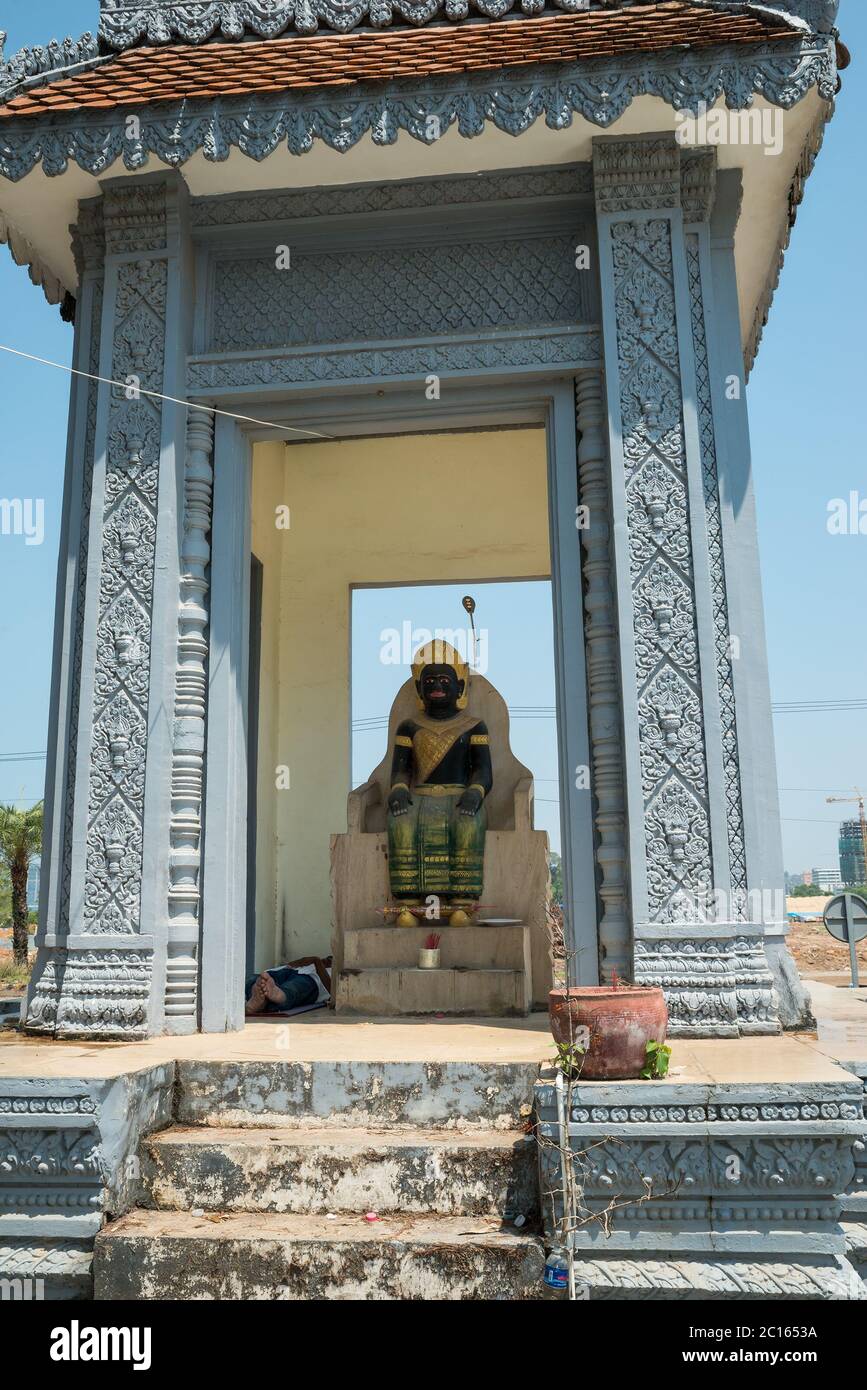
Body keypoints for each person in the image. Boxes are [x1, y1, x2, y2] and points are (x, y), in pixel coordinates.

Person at [245, 955, 331, 1016]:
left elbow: (333, 991)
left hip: (311, 979)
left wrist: (317, 962)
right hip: (283, 971)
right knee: (254, 979)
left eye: (332, 960)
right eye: (329, 957)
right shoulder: (313, 962)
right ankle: (258, 999)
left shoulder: (336, 973)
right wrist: (303, 961)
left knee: (294, 988)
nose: (329, 960)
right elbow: (291, 964)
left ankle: (277, 996)